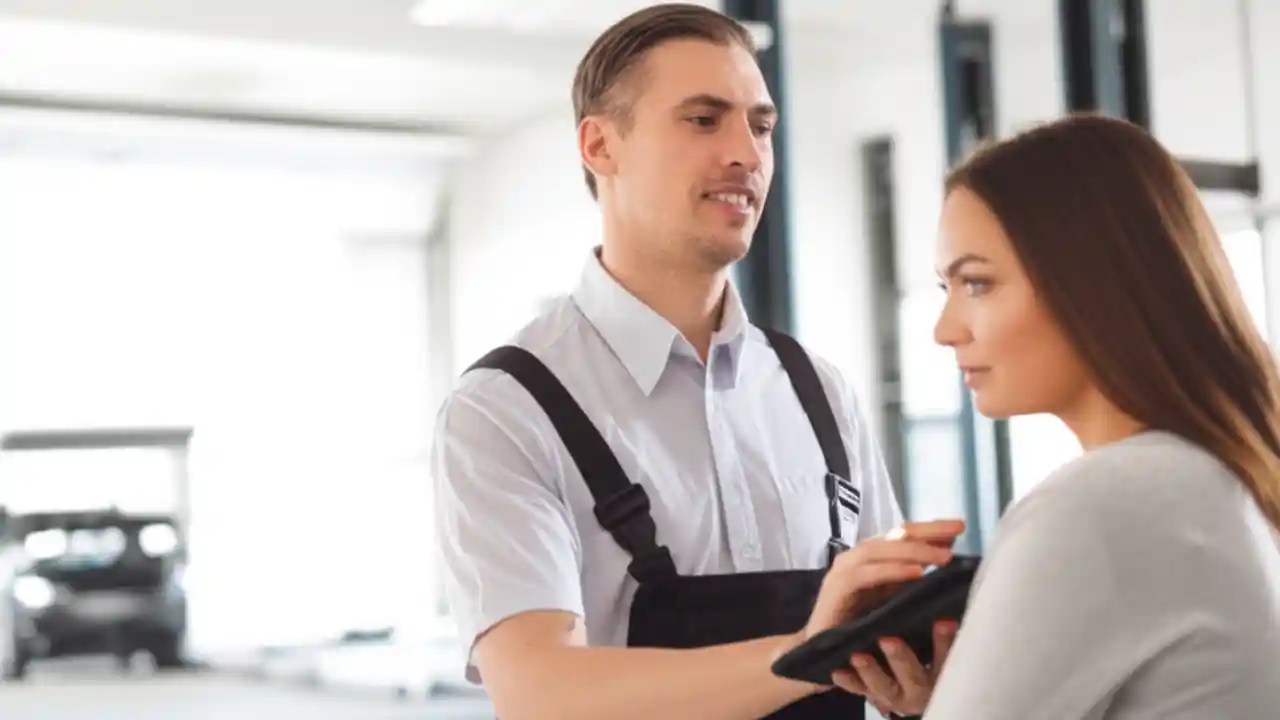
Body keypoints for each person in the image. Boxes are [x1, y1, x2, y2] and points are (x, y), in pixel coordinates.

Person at [431, 4, 965, 719]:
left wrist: (916, 682)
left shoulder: (819, 391)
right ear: (600, 145)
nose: (747, 153)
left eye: (762, 126)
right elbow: (541, 694)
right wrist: (808, 652)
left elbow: (881, 647)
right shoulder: (505, 410)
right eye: (704, 120)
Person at [907, 113, 1280, 718]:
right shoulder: (1223, 479)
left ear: (1090, 282)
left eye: (976, 284)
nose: (945, 330)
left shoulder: (1101, 503)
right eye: (945, 289)